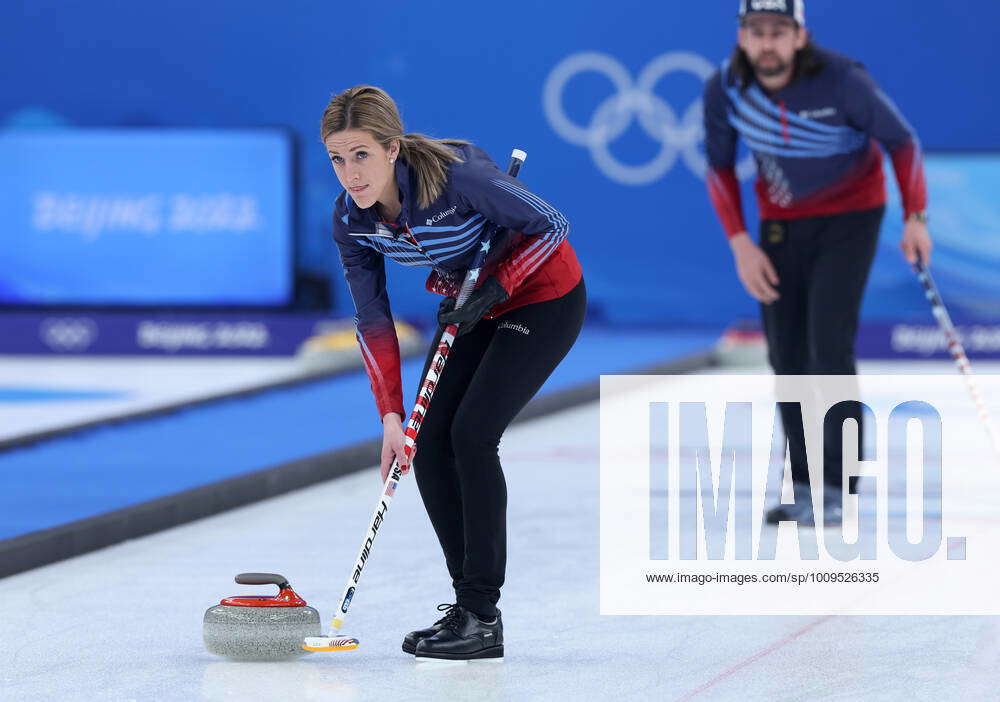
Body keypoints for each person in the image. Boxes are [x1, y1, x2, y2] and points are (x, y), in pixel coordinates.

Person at [321, 86, 585, 660]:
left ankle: (483, 616)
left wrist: (498, 285)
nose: (350, 174)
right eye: (337, 158)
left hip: (542, 297)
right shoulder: (350, 221)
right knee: (427, 440)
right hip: (470, 308)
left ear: (392, 149)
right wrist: (390, 416)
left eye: (361, 155)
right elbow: (373, 321)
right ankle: (468, 609)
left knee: (472, 434)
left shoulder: (458, 179)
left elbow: (552, 225)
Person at [703, 0, 932, 525]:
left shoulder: (842, 80)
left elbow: (902, 140)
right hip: (781, 227)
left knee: (828, 344)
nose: (767, 43)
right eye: (756, 31)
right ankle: (805, 484)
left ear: (799, 36)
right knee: (786, 356)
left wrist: (915, 216)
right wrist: (741, 243)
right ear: (742, 37)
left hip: (852, 217)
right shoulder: (725, 89)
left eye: (779, 32)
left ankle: (837, 485)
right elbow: (718, 168)